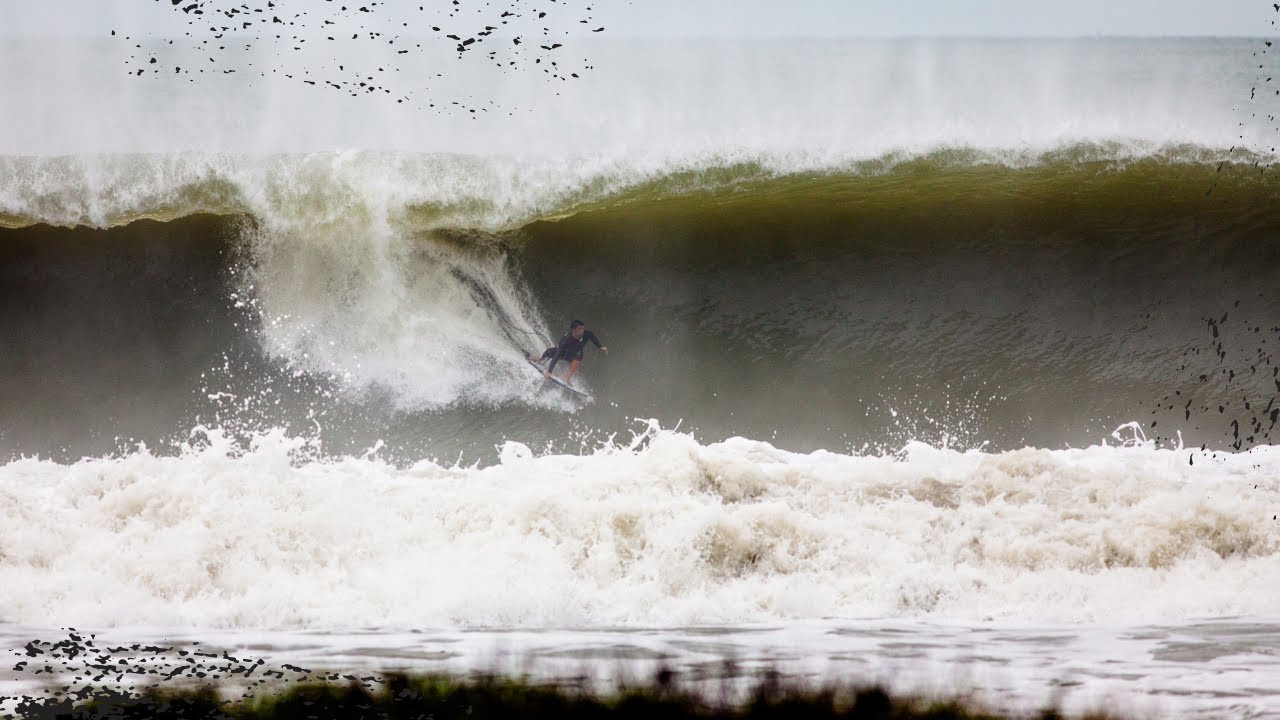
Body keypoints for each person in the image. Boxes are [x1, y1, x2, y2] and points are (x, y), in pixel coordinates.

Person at [529, 320, 608, 385]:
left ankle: (566, 377)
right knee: (549, 352)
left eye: (583, 328)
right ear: (573, 330)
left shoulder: (586, 334)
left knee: (579, 355)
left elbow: (592, 337)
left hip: (575, 355)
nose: (582, 331)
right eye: (580, 329)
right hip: (564, 353)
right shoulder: (566, 340)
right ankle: (539, 359)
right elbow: (557, 355)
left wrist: (600, 346)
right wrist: (549, 372)